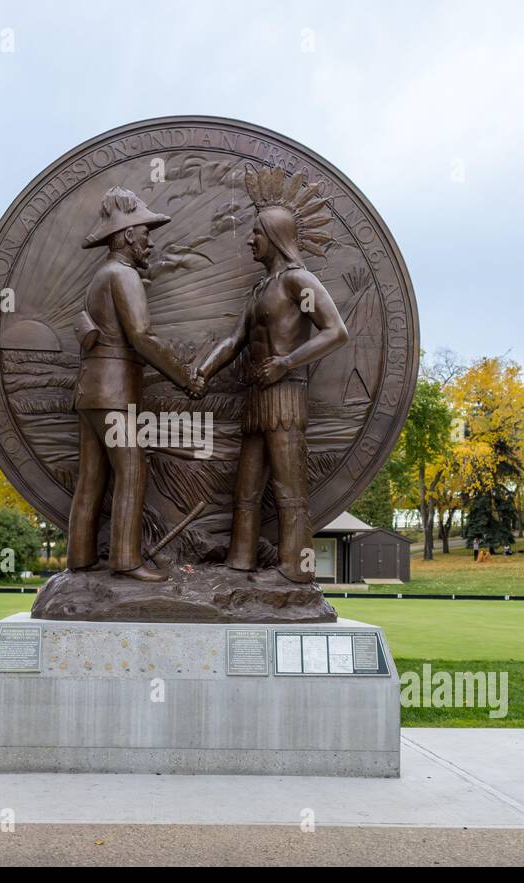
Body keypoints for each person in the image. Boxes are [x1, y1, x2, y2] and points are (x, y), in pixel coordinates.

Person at [194, 166, 348, 583]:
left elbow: (336, 331)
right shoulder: (261, 290)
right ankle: (240, 561)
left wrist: (287, 362)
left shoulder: (300, 282)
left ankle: (294, 571)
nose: (249, 240)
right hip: (257, 400)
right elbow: (235, 340)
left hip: (285, 396)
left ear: (275, 237)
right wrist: (203, 371)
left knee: (289, 489)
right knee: (245, 491)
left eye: (256, 234)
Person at [66, 186, 203, 582]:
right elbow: (142, 337)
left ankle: (80, 558)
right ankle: (125, 560)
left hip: (89, 393)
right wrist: (185, 378)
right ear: (127, 235)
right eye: (145, 232)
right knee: (130, 471)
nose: (150, 241)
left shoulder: (100, 276)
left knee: (91, 477)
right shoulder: (123, 275)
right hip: (114, 395)